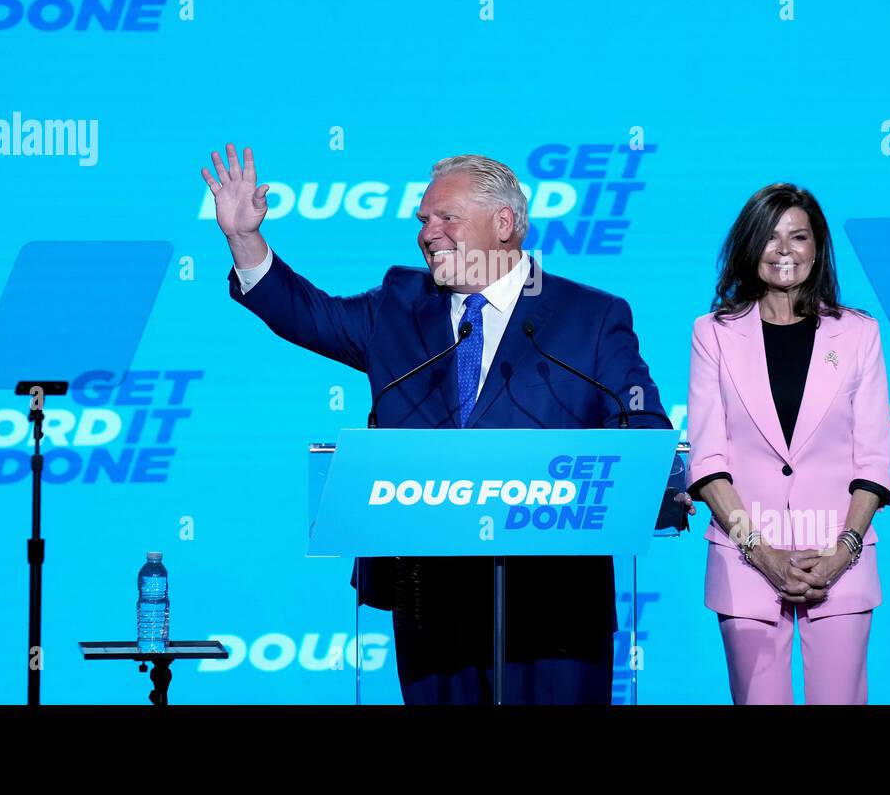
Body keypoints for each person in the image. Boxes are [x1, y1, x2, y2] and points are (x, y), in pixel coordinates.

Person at [202, 144, 670, 704]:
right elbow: (309, 315)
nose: (429, 232)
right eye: (424, 219)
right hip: (429, 595)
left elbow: (640, 420)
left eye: (447, 217)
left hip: (555, 601)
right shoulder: (399, 304)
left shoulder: (588, 316)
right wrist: (245, 241)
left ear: (504, 224)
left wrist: (647, 476)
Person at [685, 183, 890, 704]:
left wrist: (841, 552)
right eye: (771, 237)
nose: (785, 250)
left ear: (818, 247)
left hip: (839, 557)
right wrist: (763, 554)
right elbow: (708, 460)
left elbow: (872, 459)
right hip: (744, 555)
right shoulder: (712, 333)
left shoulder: (859, 334)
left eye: (798, 237)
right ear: (749, 247)